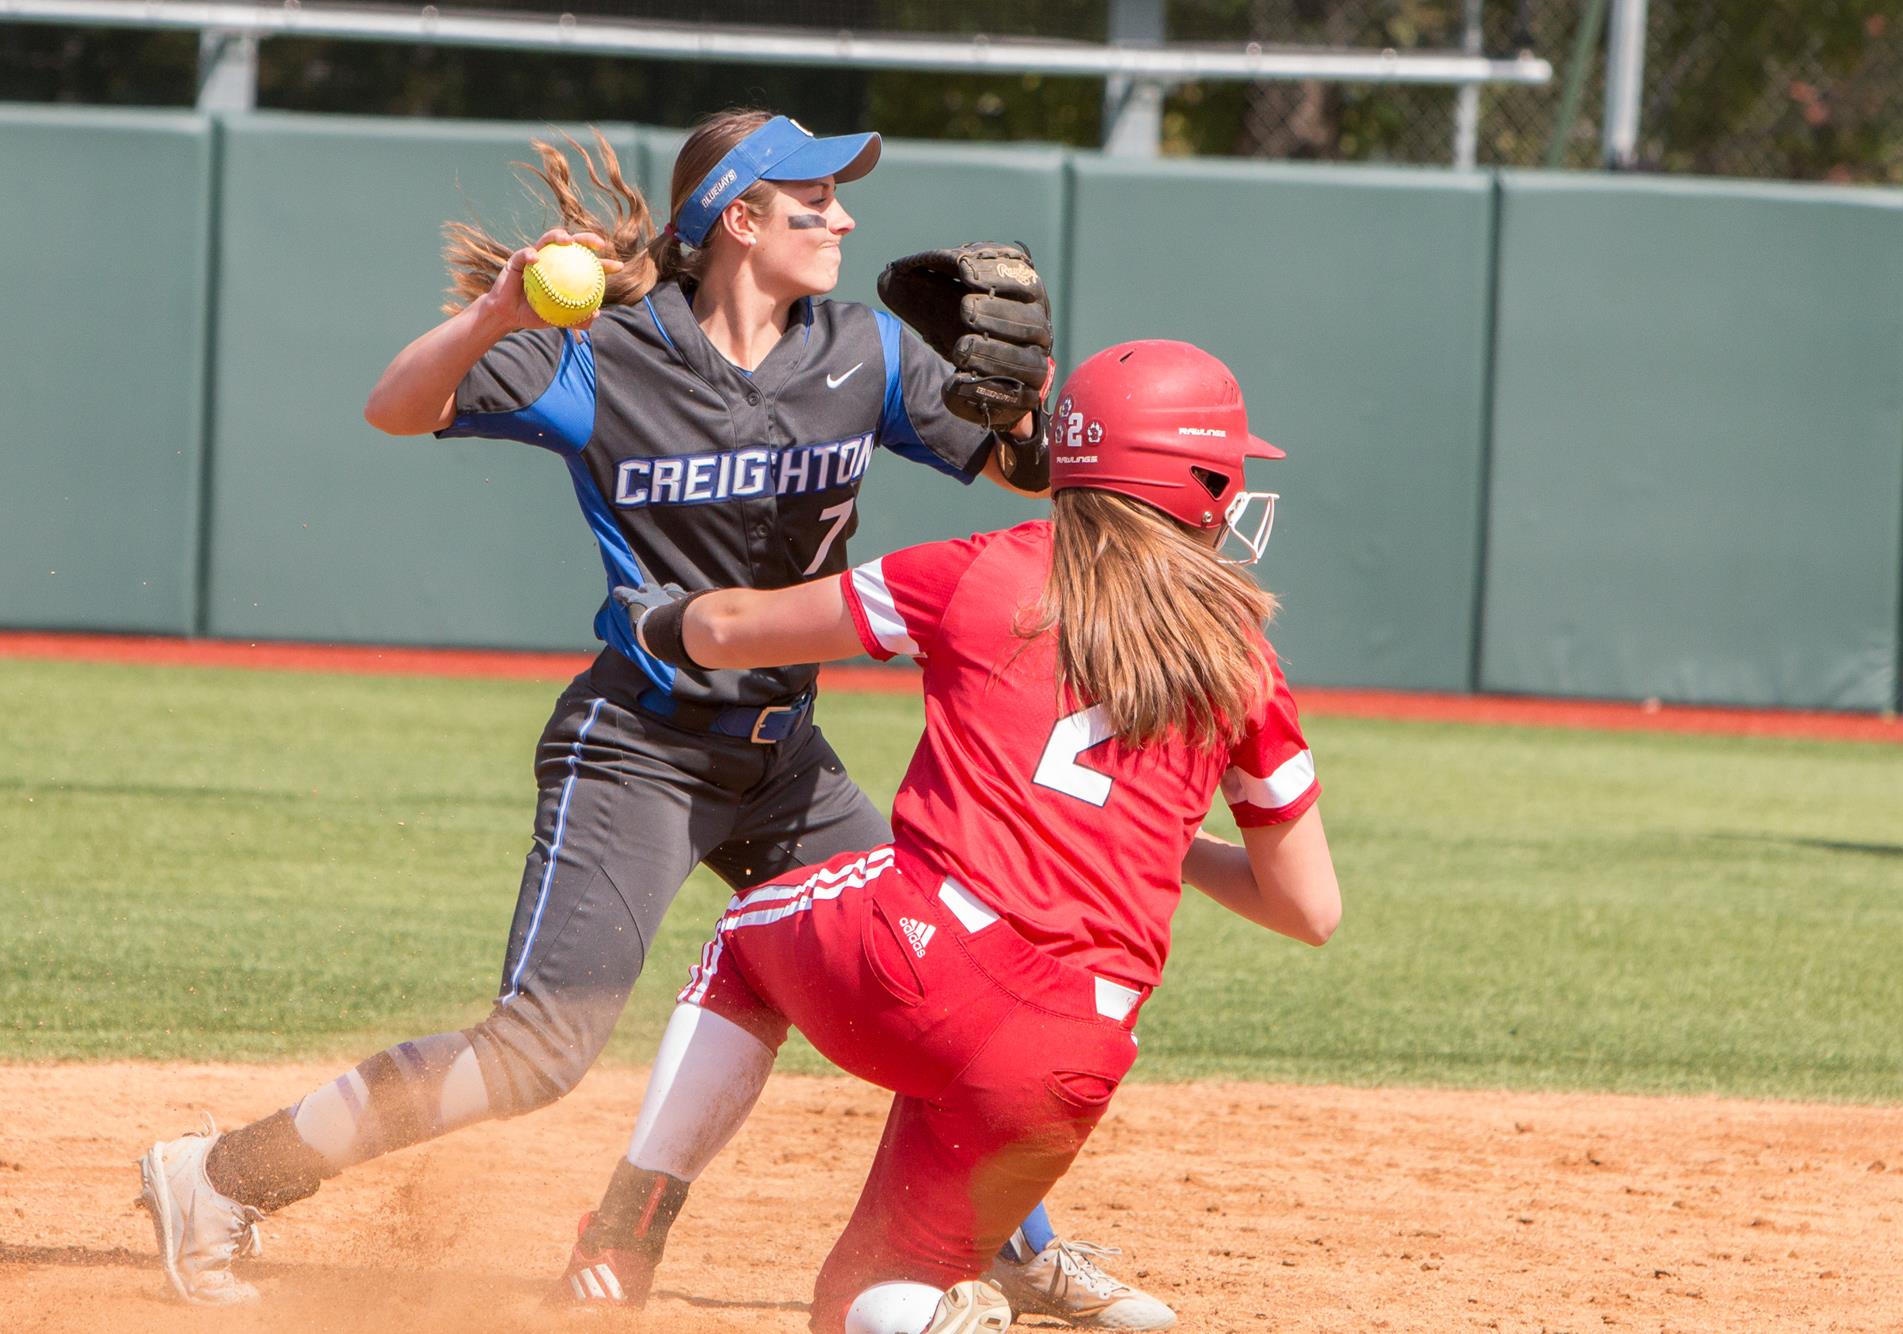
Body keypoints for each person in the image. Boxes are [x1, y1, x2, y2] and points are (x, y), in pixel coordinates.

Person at [135, 109, 1171, 1329]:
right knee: (536, 1050)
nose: (842, 218)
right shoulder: (607, 355)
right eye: (812, 202)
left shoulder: (864, 348)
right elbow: (395, 406)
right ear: (739, 220)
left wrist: (1025, 412)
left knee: (946, 974)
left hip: (783, 756)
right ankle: (219, 1177)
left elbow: (1025, 475)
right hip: (637, 746)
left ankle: (1000, 1242)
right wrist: (495, 316)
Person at [553, 339, 1341, 1334]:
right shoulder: (1245, 661)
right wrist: (1158, 840)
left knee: (745, 942)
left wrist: (663, 621)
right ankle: (919, 1315)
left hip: (920, 958)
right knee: (862, 1298)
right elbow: (1308, 909)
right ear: (1196, 483)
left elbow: (736, 630)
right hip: (1075, 1049)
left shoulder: (987, 570)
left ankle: (622, 1238)